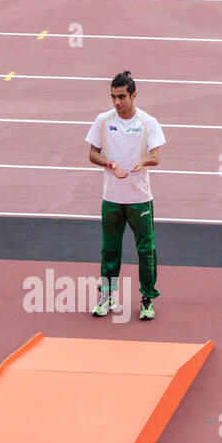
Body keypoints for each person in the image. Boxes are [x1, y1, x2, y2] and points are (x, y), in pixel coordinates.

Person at [84, 71, 166, 321]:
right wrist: (110, 164)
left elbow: (156, 157)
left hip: (140, 199)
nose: (117, 102)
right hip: (111, 198)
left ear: (133, 96)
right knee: (110, 249)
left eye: (121, 96)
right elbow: (92, 154)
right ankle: (107, 297)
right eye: (113, 97)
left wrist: (143, 162)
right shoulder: (103, 120)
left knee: (145, 251)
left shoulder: (147, 122)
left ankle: (147, 299)